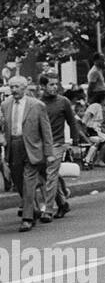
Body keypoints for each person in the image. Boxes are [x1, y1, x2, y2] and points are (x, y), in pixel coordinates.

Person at [3, 75, 54, 230]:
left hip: (32, 148)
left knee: (28, 182)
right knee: (18, 181)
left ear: (24, 88)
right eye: (11, 87)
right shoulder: (5, 105)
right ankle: (32, 208)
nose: (13, 90)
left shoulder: (37, 105)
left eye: (17, 87)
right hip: (14, 146)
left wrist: (49, 152)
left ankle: (27, 218)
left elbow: (46, 130)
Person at [37, 76, 84, 220]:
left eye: (56, 84)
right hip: (41, 145)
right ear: (43, 86)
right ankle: (62, 203)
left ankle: (48, 210)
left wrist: (75, 143)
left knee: (51, 176)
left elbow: (72, 122)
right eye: (51, 84)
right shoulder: (37, 103)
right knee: (48, 176)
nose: (54, 87)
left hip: (57, 144)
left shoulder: (63, 101)